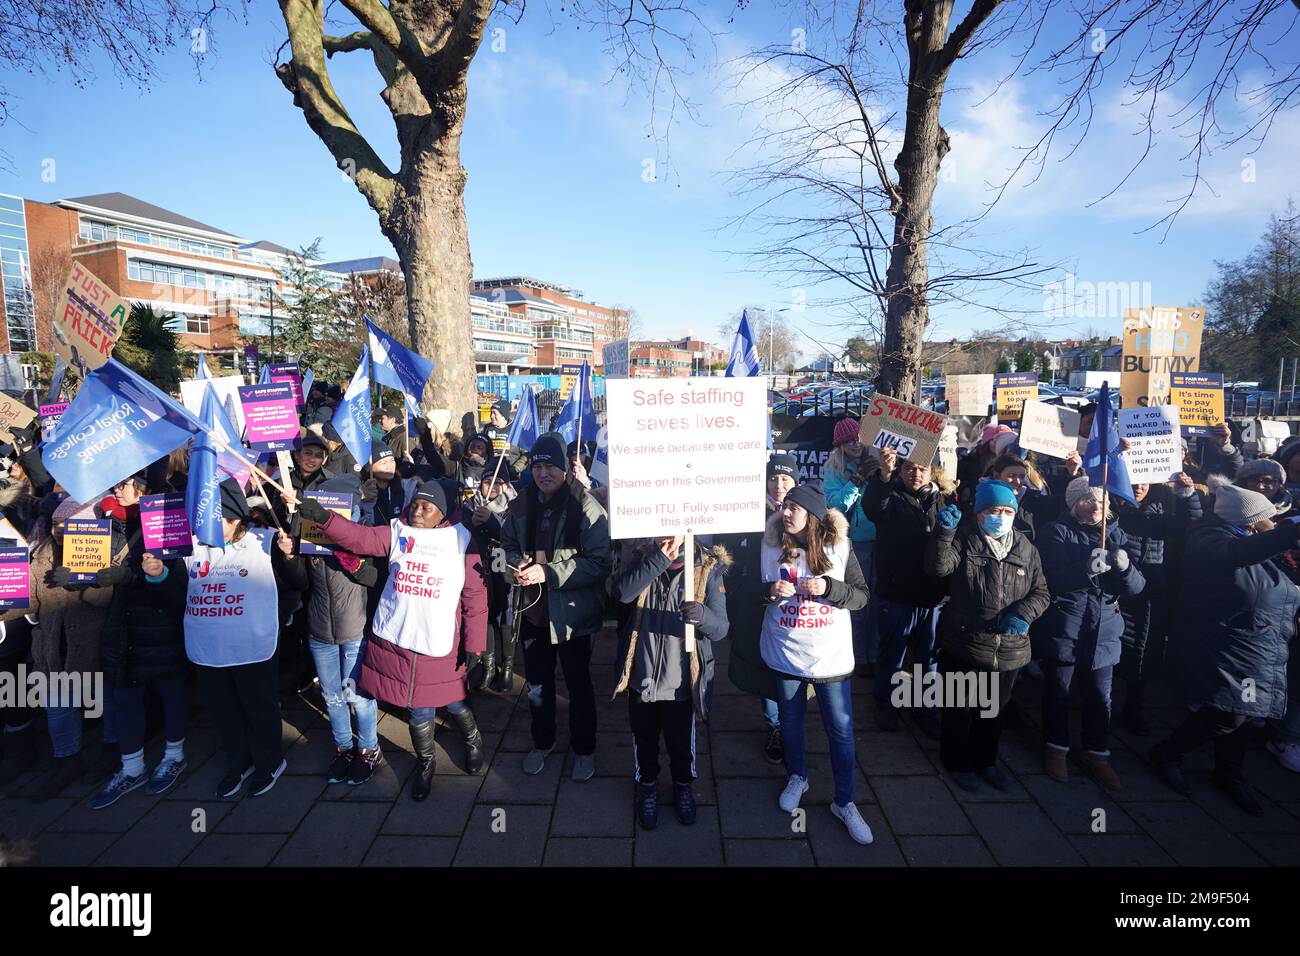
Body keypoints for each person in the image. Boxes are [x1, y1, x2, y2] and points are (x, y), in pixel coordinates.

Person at [300, 479, 489, 800]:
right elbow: (359, 539)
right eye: (415, 504)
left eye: (427, 507)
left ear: (441, 513)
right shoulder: (397, 531)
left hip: (439, 642)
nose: (417, 511)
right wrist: (323, 517)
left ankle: (472, 739)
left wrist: (475, 645)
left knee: (455, 701)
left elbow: (475, 596)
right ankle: (426, 764)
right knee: (417, 709)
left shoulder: (462, 541)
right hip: (400, 639)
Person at [1150, 484, 1300, 815]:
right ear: (1251, 522)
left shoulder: (1254, 544)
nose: (1275, 524)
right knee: (1231, 712)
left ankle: (1230, 771)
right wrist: (1292, 535)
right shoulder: (1211, 540)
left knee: (1246, 713)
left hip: (1260, 642)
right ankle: (1168, 752)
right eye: (1269, 519)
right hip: (1228, 642)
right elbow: (1235, 556)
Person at [760, 479, 873, 844]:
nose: (785, 511)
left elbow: (861, 597)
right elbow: (748, 589)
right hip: (786, 651)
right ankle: (798, 776)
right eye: (784, 505)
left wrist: (829, 589)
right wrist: (768, 591)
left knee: (840, 730)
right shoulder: (769, 543)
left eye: (794, 507)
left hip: (829, 655)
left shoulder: (838, 546)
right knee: (790, 721)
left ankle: (844, 801)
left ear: (812, 515)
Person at [924, 479, 1049, 792]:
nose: (1002, 516)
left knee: (992, 711)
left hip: (1008, 649)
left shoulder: (1025, 547)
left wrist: (1024, 614)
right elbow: (938, 569)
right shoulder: (965, 539)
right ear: (980, 514)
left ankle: (985, 761)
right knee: (958, 708)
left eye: (1008, 510)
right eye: (995, 510)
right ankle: (955, 761)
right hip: (965, 642)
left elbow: (1041, 591)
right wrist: (944, 533)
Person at [501, 432, 611, 781]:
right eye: (538, 466)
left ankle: (585, 747)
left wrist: (547, 573)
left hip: (573, 616)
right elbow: (505, 548)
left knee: (577, 685)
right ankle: (543, 740)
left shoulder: (586, 506)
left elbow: (600, 564)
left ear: (565, 468)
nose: (543, 473)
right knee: (536, 684)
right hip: (533, 612)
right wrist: (515, 566)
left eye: (551, 465)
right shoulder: (520, 505)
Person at [180, 478, 290, 798]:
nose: (210, 526)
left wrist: (289, 555)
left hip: (251, 642)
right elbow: (175, 591)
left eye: (219, 521)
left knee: (259, 706)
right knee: (223, 709)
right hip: (209, 643)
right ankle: (238, 762)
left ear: (236, 520)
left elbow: (296, 582)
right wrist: (157, 572)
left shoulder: (264, 541)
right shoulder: (192, 544)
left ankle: (269, 761)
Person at [1035, 477, 1145, 791]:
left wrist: (1126, 570)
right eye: (1088, 500)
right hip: (1066, 626)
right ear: (1074, 504)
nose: (1096, 506)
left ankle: (1097, 752)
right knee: (1059, 693)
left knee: (1100, 698)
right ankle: (1056, 747)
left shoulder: (1117, 534)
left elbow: (1138, 588)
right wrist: (1085, 569)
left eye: (1101, 500)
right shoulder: (1055, 532)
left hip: (1105, 631)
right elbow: (1050, 580)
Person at [87, 474, 191, 809]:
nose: (116, 489)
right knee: (125, 699)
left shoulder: (168, 517)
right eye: (115, 484)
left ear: (143, 489)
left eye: (124, 484)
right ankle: (131, 768)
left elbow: (180, 586)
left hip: (160, 631)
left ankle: (174, 756)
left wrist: (145, 575)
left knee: (171, 695)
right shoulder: (107, 523)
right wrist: (80, 576)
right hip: (122, 629)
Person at [613, 535, 729, 830]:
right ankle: (648, 786)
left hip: (680, 683)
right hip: (643, 676)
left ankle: (682, 786)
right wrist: (657, 560)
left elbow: (721, 629)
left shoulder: (708, 568)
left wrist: (702, 615)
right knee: (644, 739)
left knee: (681, 744)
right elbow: (621, 594)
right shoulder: (641, 557)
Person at [279, 475, 383, 785]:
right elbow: (300, 582)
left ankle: (368, 749)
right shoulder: (311, 537)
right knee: (332, 696)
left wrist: (355, 564)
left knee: (357, 695)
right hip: (320, 630)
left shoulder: (365, 536)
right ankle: (344, 748)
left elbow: (375, 580)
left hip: (354, 629)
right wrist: (289, 554)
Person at [29, 496, 126, 800]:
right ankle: (67, 758)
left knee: (105, 698)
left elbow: (107, 599)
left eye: (69, 525)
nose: (61, 531)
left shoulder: (105, 549)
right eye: (57, 524)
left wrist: (86, 581)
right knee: (58, 707)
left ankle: (113, 749)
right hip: (53, 643)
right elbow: (31, 598)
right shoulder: (42, 553)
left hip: (92, 640)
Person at [863, 446, 956, 734]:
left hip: (933, 595)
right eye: (909, 468)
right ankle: (886, 705)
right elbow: (873, 507)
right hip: (897, 592)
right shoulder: (889, 494)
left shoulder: (942, 500)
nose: (915, 474)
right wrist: (885, 473)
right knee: (893, 654)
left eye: (921, 469)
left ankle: (925, 709)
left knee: (929, 657)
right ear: (901, 470)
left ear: (931, 471)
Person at [718, 453, 798, 765]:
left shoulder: (804, 513)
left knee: (790, 664)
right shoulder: (749, 509)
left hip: (794, 605)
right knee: (766, 665)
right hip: (759, 600)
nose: (779, 485)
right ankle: (775, 726)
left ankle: (792, 722)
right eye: (774, 478)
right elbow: (729, 553)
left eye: (786, 479)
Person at [1113, 474, 1201, 734]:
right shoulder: (1111, 510)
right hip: (1118, 590)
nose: (1139, 486)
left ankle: (1133, 707)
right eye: (1133, 480)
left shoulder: (1158, 513)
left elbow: (1191, 526)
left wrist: (1188, 496)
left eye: (1145, 481)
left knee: (1141, 651)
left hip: (1148, 594)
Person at [822, 417, 879, 671]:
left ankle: (876, 654)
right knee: (859, 601)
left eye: (857, 438)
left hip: (883, 538)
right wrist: (855, 480)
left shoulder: (877, 462)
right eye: (848, 440)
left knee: (880, 601)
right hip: (856, 542)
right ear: (840, 445)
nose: (855, 444)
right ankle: (860, 656)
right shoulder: (834, 469)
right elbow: (834, 507)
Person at [464, 457, 519, 693]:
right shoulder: (470, 505)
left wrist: (492, 521)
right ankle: (487, 665)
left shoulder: (516, 506)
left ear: (506, 486)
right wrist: (472, 522)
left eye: (499, 482)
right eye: (488, 482)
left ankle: (506, 668)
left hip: (505, 570)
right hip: (479, 569)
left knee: (506, 616)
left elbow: (514, 537)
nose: (493, 487)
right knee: (483, 613)